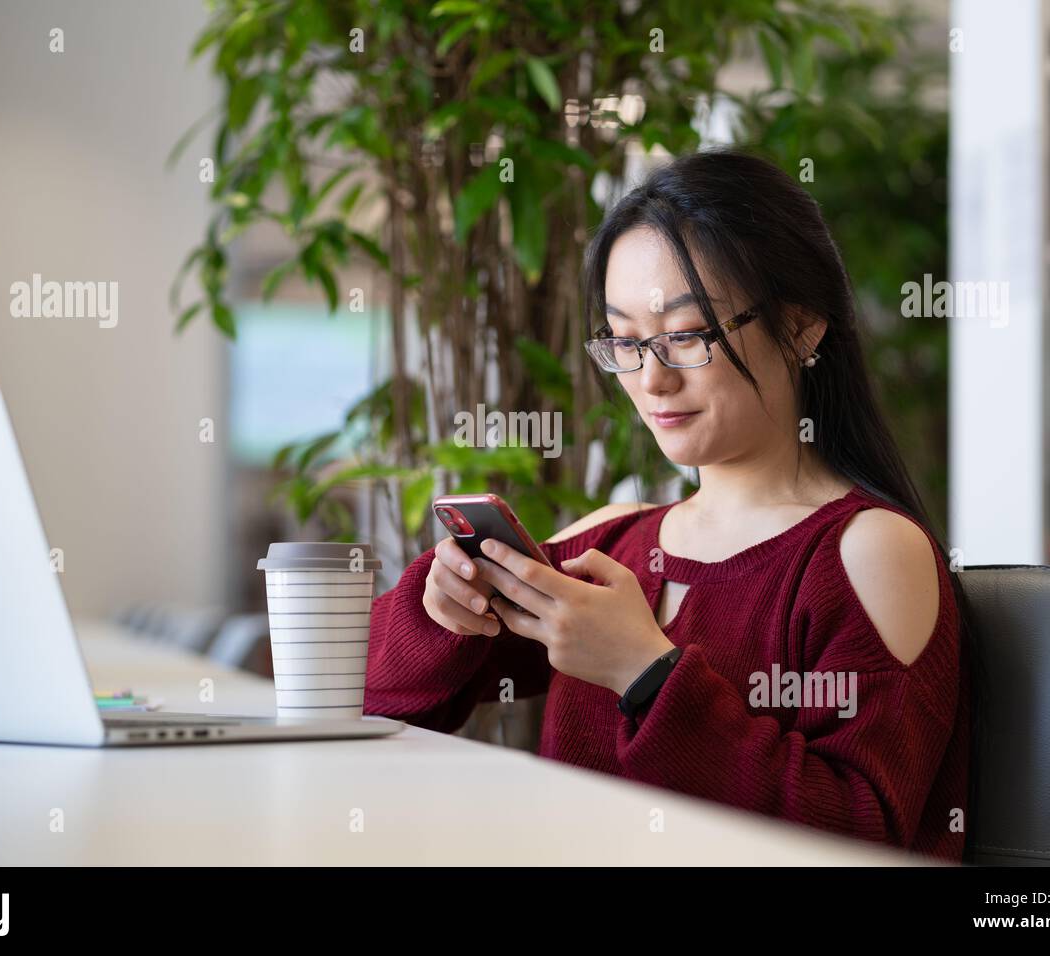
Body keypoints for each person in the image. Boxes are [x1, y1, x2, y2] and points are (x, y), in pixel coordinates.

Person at [364, 147, 971, 862]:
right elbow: (377, 704)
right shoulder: (614, 544)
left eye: (687, 335)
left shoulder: (866, 551)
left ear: (803, 327)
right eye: (624, 341)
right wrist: (440, 614)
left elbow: (861, 837)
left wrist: (647, 676)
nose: (650, 379)